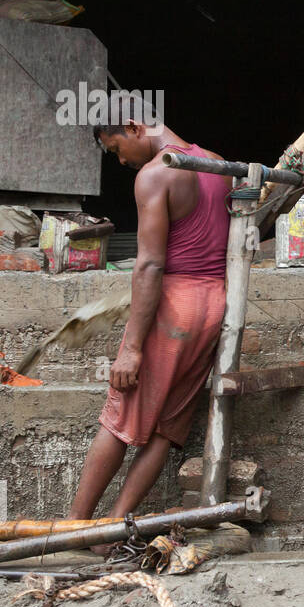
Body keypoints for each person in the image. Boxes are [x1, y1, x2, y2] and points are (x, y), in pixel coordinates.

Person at [68, 118, 229, 526]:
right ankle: (115, 528)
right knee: (163, 430)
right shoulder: (216, 163)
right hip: (213, 306)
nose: (121, 161)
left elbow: (151, 264)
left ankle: (73, 527)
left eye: (116, 149)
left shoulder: (156, 174)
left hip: (172, 307)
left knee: (119, 419)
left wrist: (133, 348)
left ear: (134, 127)